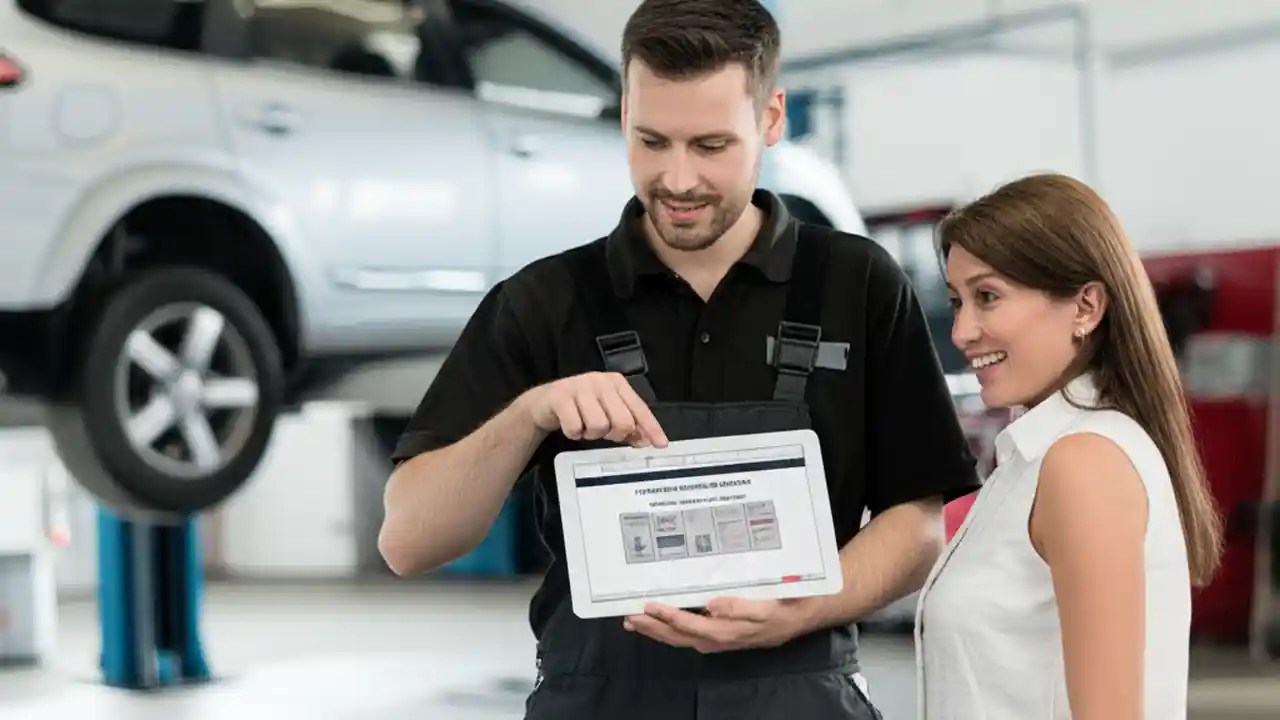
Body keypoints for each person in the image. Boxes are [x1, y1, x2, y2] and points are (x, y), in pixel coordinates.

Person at [379, 1, 979, 717]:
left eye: (711, 145)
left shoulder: (856, 285)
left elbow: (915, 523)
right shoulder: (545, 301)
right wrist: (530, 414)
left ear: (772, 118)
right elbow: (409, 540)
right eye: (652, 140)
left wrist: (800, 609)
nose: (679, 179)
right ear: (625, 110)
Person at [917, 172, 1225, 719]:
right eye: (957, 301)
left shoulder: (1083, 462)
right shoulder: (1038, 456)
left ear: (1085, 307)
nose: (962, 331)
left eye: (987, 297)